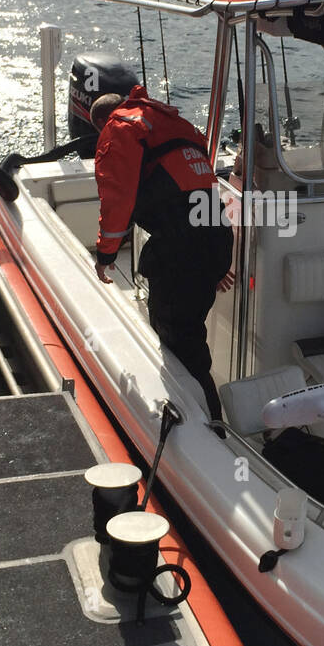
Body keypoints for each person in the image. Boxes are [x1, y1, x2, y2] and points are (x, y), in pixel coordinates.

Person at [90, 87, 235, 421]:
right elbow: (199, 188)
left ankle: (208, 426)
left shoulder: (119, 128)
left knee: (177, 338)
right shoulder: (175, 126)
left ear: (100, 121)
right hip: (214, 238)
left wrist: (105, 256)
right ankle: (198, 412)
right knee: (187, 329)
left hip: (183, 250)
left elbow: (117, 199)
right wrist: (212, 263)